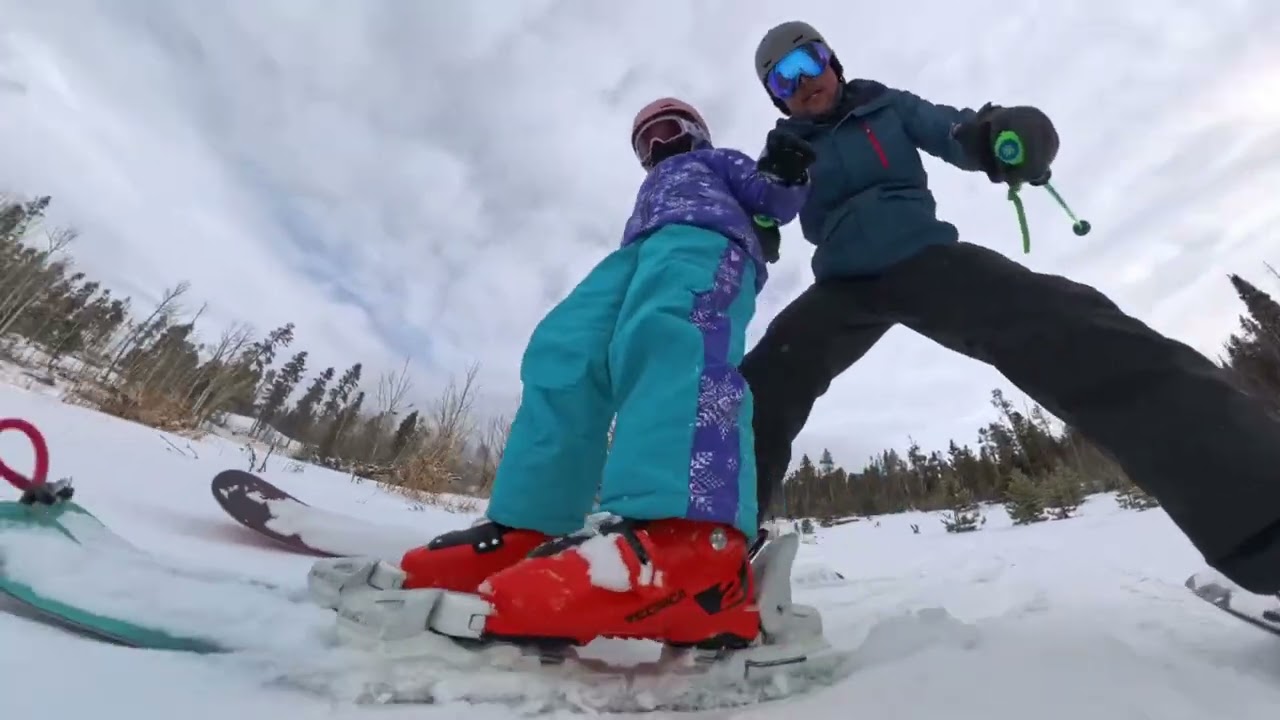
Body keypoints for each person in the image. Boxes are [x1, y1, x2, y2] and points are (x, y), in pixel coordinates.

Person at [742, 20, 1280, 599]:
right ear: (775, 97)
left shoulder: (886, 106)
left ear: (833, 61)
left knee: (1073, 330)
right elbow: (761, 231)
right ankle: (707, 557)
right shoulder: (785, 151)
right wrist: (767, 197)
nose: (801, 82)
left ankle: (1267, 523)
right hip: (841, 286)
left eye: (809, 61)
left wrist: (1002, 134)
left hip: (924, 258)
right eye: (782, 79)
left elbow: (956, 132)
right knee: (758, 388)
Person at [396, 97, 816, 647]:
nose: (659, 147)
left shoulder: (717, 163)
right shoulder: (651, 189)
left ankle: (691, 553)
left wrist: (785, 170)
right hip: (636, 253)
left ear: (695, 132)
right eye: (647, 142)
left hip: (704, 242)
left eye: (668, 132)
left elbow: (774, 200)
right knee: (566, 349)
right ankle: (532, 528)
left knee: (671, 337)